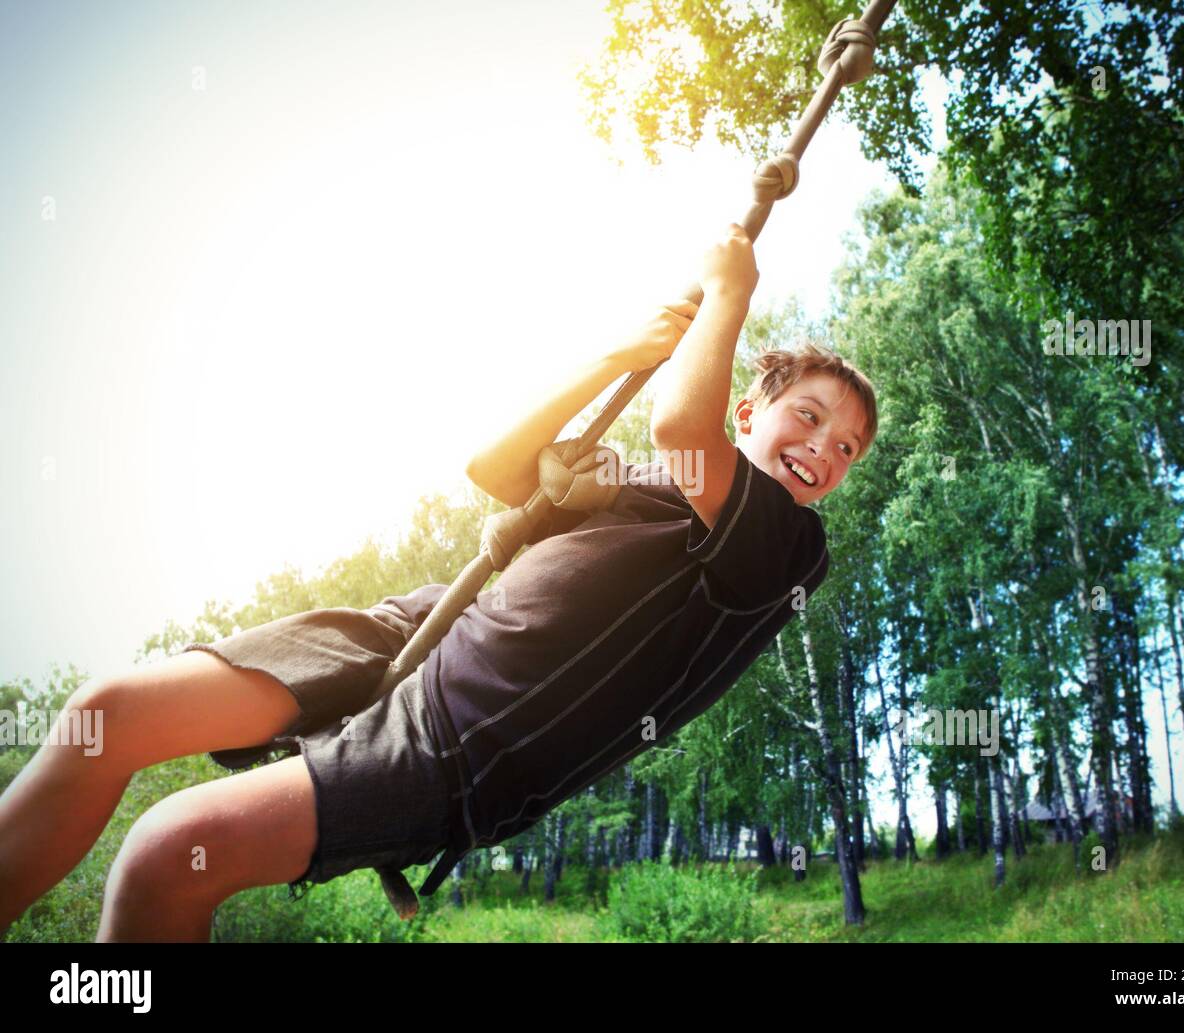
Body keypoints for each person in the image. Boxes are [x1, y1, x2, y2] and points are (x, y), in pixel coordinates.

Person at [0, 223, 877, 941]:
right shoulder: (647, 482)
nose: (824, 450)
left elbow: (683, 417)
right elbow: (496, 469)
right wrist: (615, 355)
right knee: (103, 713)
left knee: (164, 855)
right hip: (416, 626)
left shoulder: (785, 545)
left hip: (462, 747)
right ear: (751, 412)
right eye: (810, 415)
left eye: (846, 449)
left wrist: (730, 291)